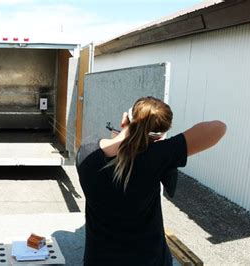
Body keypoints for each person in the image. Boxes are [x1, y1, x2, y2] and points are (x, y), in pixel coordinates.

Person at [76, 96, 226, 265]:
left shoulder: (87, 150)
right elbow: (219, 128)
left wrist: (125, 141)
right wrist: (158, 147)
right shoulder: (157, 156)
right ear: (158, 136)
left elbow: (117, 161)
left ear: (125, 119)